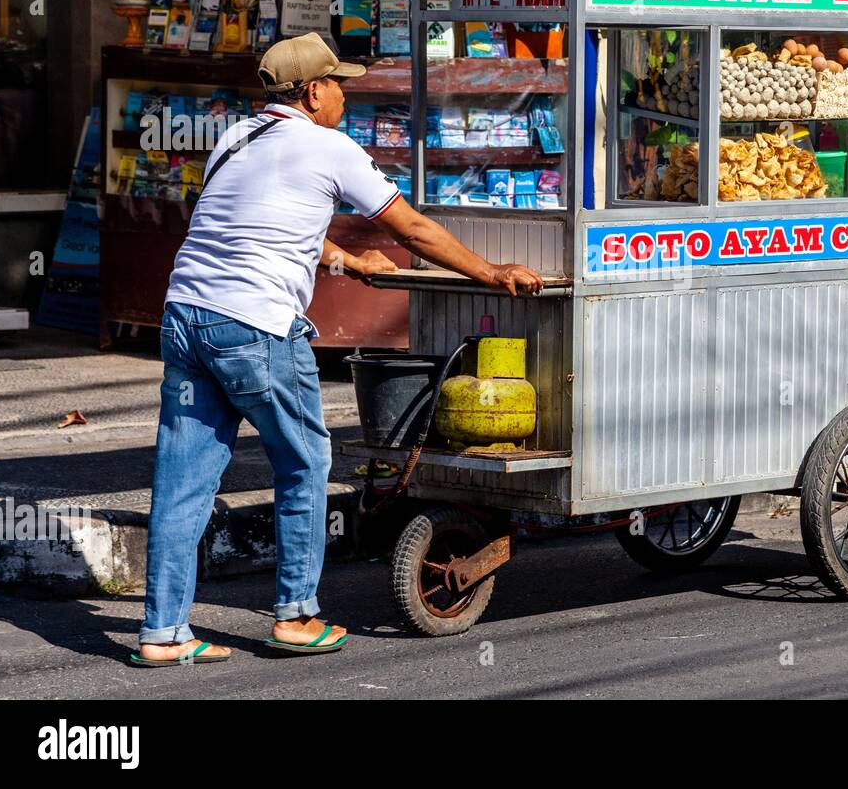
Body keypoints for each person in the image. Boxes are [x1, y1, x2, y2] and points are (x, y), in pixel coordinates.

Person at [132, 33, 543, 665]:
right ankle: (296, 616)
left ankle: (162, 633)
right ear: (314, 91)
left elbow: (251, 224)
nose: (345, 96)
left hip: (186, 319)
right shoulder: (329, 147)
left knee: (181, 484)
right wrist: (489, 273)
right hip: (256, 326)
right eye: (340, 85)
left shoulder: (233, 140)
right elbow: (412, 227)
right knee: (302, 462)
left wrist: (344, 259)